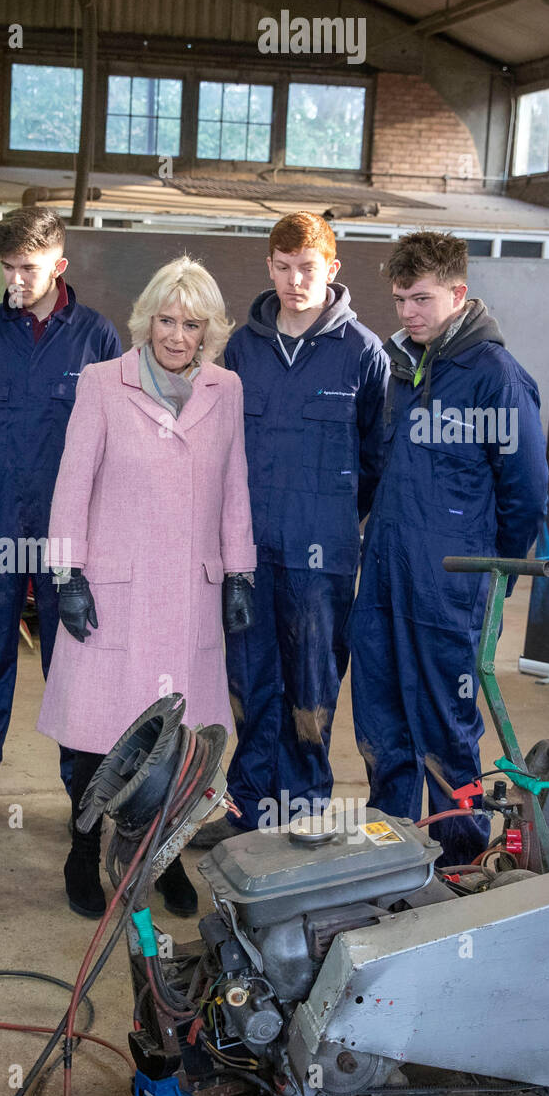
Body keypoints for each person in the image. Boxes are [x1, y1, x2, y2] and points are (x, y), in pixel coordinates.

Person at [37, 256, 256, 919]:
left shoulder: (227, 390)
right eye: (166, 319)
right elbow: (73, 481)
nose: (176, 335)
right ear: (147, 320)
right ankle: (82, 850)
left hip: (188, 594)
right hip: (115, 593)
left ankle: (157, 859)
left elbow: (236, 486)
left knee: (181, 745)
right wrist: (66, 572)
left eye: (191, 323)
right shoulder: (105, 382)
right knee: (94, 735)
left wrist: (239, 570)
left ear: (209, 330)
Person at [190, 212, 389, 849]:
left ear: (332, 269)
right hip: (249, 551)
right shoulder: (242, 348)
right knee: (249, 680)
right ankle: (248, 806)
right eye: (282, 268)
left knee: (311, 684)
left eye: (307, 268)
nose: (294, 280)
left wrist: (327, 516)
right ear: (268, 267)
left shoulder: (364, 352)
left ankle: (303, 811)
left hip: (321, 555)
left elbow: (376, 459)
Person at [349, 231, 547, 865]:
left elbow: (526, 492)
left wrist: (493, 577)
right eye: (401, 298)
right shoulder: (400, 366)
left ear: (459, 295)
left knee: (444, 726)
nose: (408, 311)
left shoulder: (494, 376)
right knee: (381, 718)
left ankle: (458, 862)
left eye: (422, 298)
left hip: (451, 583)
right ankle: (391, 855)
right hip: (384, 575)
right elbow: (380, 467)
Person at [0, 208, 121, 826]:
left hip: (70, 530)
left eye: (27, 268)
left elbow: (115, 443)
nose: (14, 279)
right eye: (6, 267)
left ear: (59, 265)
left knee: (72, 660)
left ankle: (83, 789)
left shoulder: (97, 337)